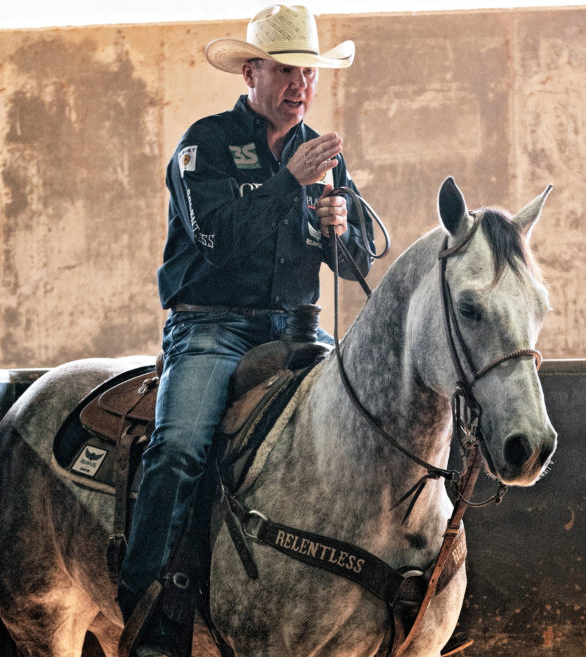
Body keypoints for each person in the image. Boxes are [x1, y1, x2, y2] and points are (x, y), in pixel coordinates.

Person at [117, 6, 373, 656]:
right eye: (285, 70)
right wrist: (289, 183)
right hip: (211, 327)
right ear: (252, 71)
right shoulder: (203, 146)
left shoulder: (323, 159)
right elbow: (218, 242)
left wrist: (346, 224)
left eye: (307, 72)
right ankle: (148, 609)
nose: (300, 85)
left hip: (298, 329)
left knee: (364, 430)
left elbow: (357, 262)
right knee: (177, 447)